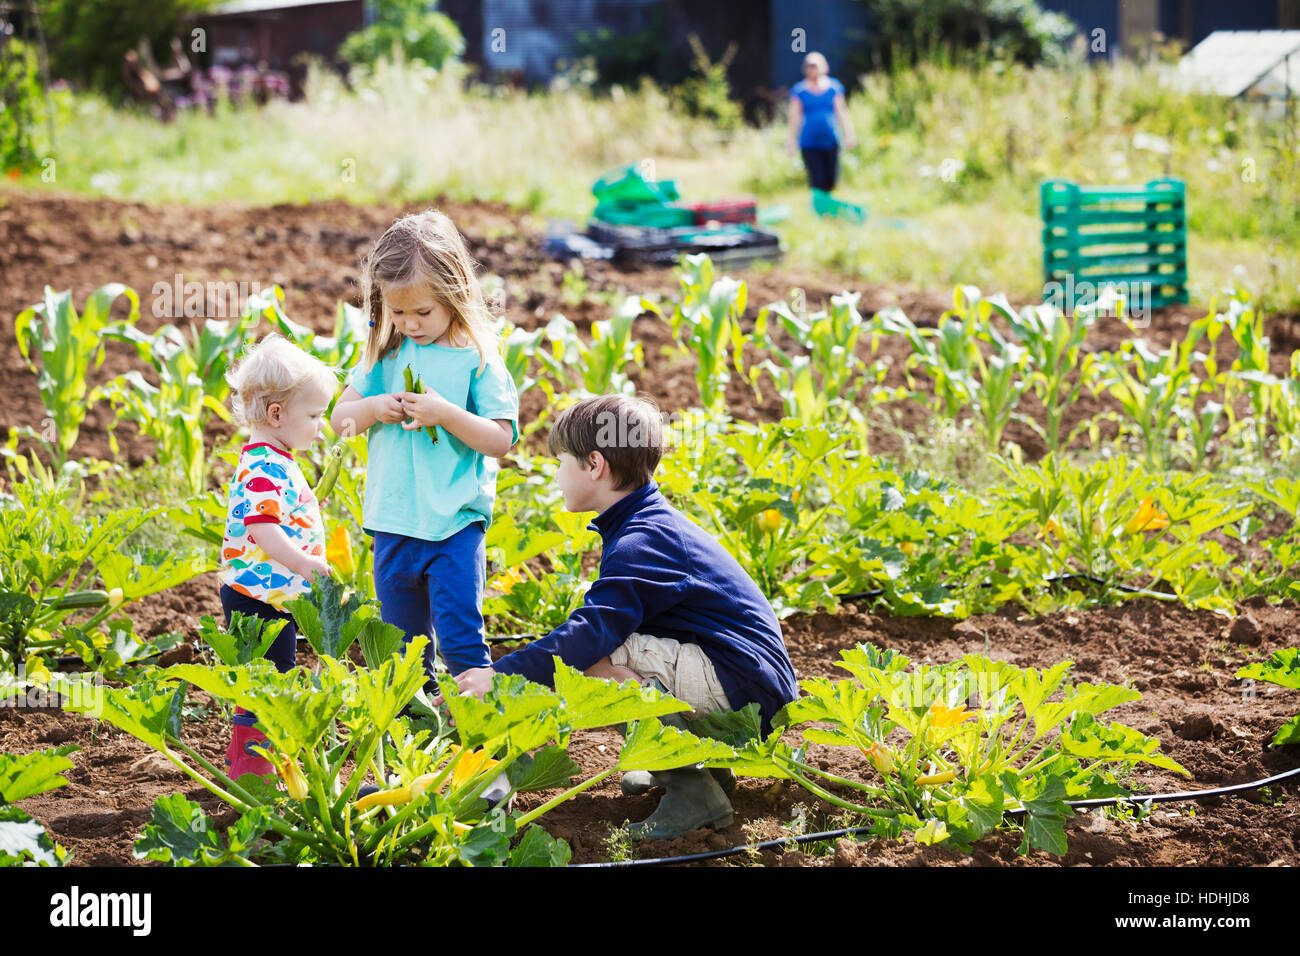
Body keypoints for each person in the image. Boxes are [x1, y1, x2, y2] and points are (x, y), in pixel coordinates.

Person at [450, 394, 799, 841]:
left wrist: (500, 676)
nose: (557, 475)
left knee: (595, 656)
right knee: (601, 643)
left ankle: (691, 787)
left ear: (594, 464)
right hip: (745, 680)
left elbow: (590, 635)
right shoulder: (645, 523)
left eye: (562, 462)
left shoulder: (643, 540)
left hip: (745, 688)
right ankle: (696, 767)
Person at [329, 209, 519, 686]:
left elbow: (501, 439)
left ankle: (474, 733)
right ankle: (416, 742)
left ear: (454, 295)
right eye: (397, 312)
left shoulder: (476, 358)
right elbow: (340, 421)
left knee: (459, 641)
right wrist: (374, 407)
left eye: (422, 312)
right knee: (402, 650)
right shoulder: (385, 353)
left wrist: (447, 415)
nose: (409, 324)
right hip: (393, 522)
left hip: (453, 523)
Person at [220, 333, 337, 779]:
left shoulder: (272, 458)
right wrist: (303, 561)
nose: (322, 425)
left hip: (268, 595)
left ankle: (254, 764)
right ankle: (254, 773)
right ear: (276, 414)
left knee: (268, 681)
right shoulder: (264, 465)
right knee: (266, 685)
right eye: (314, 415)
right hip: (257, 597)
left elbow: (274, 516)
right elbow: (261, 528)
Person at [786, 51, 857, 193]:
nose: (813, 69)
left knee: (831, 180)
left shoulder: (834, 88)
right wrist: (791, 140)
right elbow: (794, 117)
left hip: (830, 140)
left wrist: (849, 134)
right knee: (817, 179)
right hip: (809, 142)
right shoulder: (799, 91)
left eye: (815, 66)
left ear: (824, 67)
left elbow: (842, 113)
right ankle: (818, 210)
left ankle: (829, 211)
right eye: (809, 66)